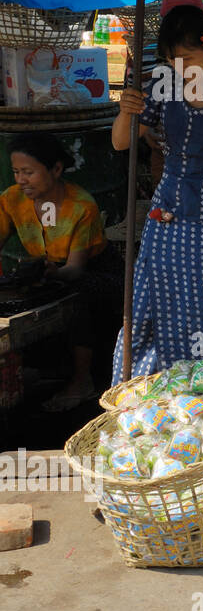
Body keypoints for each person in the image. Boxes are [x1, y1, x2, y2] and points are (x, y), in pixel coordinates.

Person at [111, 5, 203, 381]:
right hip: (163, 228)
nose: (181, 69)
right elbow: (119, 143)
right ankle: (149, 407)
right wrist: (126, 111)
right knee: (150, 316)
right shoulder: (164, 89)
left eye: (187, 58)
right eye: (172, 61)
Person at [2, 134, 122, 409]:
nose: (21, 180)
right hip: (50, 272)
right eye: (17, 172)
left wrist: (50, 274)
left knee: (78, 297)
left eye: (29, 172)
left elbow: (75, 269)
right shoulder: (11, 200)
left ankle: (82, 383)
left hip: (95, 273)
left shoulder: (81, 205)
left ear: (55, 170)